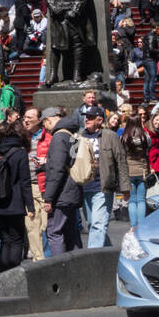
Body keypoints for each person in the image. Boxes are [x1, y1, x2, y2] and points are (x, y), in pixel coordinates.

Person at [0, 120, 35, 273]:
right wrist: (30, 206)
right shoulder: (20, 153)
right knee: (17, 239)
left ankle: (3, 274)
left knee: (5, 239)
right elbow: (25, 181)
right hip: (15, 203)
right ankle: (14, 274)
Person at [77, 106, 130, 250]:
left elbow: (121, 161)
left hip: (103, 187)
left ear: (99, 120)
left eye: (90, 117)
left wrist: (125, 187)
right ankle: (109, 254)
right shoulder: (79, 135)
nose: (86, 119)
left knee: (98, 225)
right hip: (84, 187)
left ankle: (91, 261)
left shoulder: (110, 136)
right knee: (92, 224)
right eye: (86, 116)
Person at [43, 110, 82, 256]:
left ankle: (60, 270)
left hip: (62, 193)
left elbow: (57, 170)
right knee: (71, 232)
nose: (46, 128)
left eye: (44, 124)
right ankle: (77, 264)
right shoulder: (72, 135)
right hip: (73, 189)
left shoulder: (59, 137)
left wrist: (49, 197)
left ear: (49, 120)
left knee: (54, 232)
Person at [22, 107, 51, 261]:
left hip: (45, 185)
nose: (26, 120)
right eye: (25, 117)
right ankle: (38, 260)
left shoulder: (49, 137)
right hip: (28, 186)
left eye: (30, 118)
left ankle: (48, 259)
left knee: (46, 226)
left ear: (39, 120)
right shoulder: (22, 137)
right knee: (31, 225)